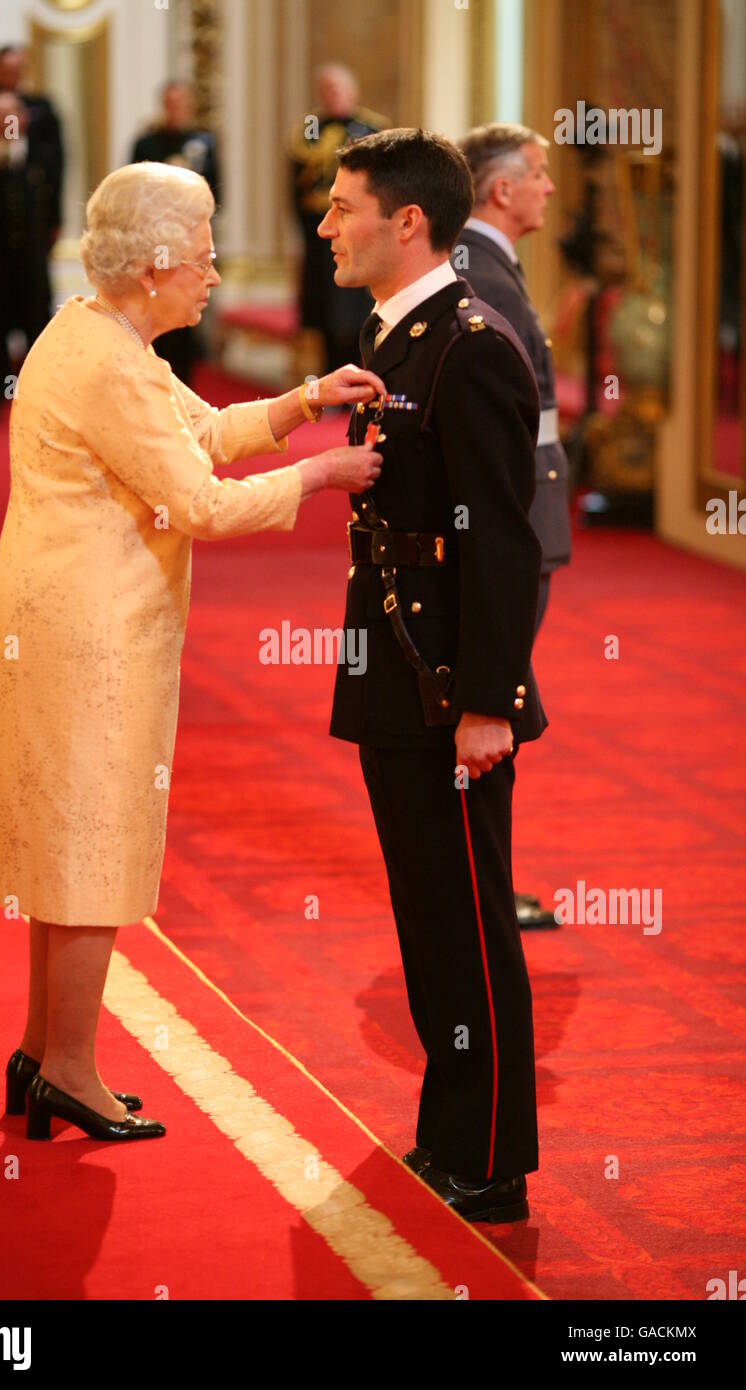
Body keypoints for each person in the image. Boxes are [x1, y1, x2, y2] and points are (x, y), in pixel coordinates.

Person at [0, 162, 385, 1144]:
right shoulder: (109, 359)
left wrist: (303, 400)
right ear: (154, 263)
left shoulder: (99, 332)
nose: (212, 275)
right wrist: (325, 472)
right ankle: (70, 1066)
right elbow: (197, 502)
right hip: (87, 630)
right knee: (89, 844)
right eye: (202, 259)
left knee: (64, 835)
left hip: (65, 612)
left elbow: (199, 433)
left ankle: (43, 1052)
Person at [321, 129, 545, 1222]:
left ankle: (491, 1156)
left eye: (340, 205)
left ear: (405, 221)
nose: (324, 225)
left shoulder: (468, 345)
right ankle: (450, 1130)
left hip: (448, 682)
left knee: (465, 923)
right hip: (395, 669)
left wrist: (482, 704)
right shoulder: (396, 337)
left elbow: (501, 544)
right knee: (426, 918)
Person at [455, 123, 571, 931]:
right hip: (513, 524)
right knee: (491, 712)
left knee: (496, 710)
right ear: (501, 189)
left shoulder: (492, 265)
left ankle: (485, 886)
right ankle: (481, 891)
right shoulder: (482, 272)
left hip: (527, 519)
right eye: (538, 174)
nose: (549, 188)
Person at [288, 65, 388, 373]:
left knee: (355, 310)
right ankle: (329, 377)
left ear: (353, 92)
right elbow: (296, 185)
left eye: (340, 89)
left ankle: (358, 375)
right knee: (324, 313)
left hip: (359, 235)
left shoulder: (371, 128)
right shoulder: (310, 128)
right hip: (321, 236)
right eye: (328, 90)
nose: (334, 96)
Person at [130, 81, 221, 383]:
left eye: (181, 103)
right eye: (170, 103)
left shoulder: (205, 142)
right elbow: (133, 191)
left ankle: (184, 384)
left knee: (188, 306)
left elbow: (217, 194)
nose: (175, 109)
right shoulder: (147, 144)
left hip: (191, 243)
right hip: (157, 242)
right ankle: (154, 376)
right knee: (159, 302)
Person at [0, 92, 55, 418]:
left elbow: (50, 206)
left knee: (37, 332)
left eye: (12, 115)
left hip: (32, 263)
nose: (7, 122)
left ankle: (40, 401)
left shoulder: (38, 155)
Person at [0, 45, 64, 242]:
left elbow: (55, 164)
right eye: (6, 70)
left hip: (31, 215)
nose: (12, 76)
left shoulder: (41, 108)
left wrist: (55, 215)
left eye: (17, 70)